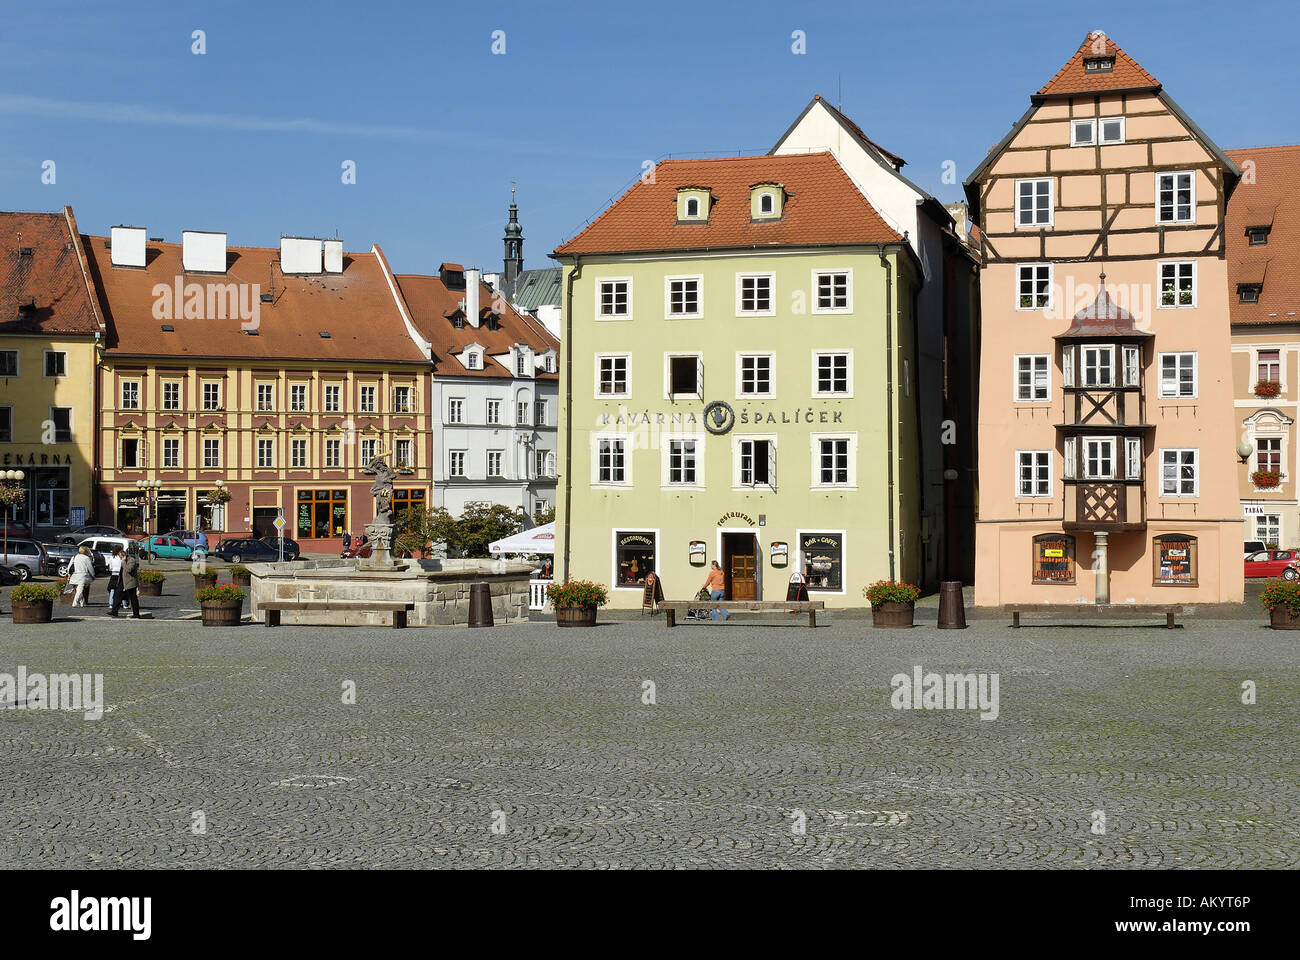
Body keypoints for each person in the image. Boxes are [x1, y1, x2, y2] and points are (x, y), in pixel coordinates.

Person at [111, 548, 141, 618]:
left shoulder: (131, 560)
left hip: (130, 582)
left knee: (133, 598)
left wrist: (124, 562)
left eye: (120, 557)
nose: (120, 558)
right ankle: (114, 611)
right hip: (123, 582)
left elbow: (129, 569)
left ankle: (136, 614)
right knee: (117, 595)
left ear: (124, 556)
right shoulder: (123, 561)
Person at [106, 545, 124, 613]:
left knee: (112, 588)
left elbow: (110, 567)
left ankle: (111, 603)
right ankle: (122, 603)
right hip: (120, 573)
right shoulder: (121, 557)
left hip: (113, 573)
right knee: (120, 588)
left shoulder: (111, 557)